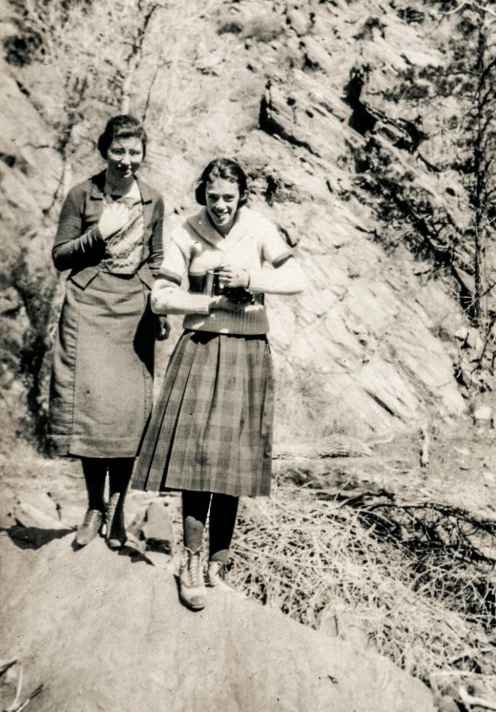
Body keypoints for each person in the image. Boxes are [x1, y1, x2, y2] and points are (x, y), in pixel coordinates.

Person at [132, 157, 305, 610]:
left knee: (233, 460)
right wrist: (208, 298)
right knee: (198, 459)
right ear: (202, 195)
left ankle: (218, 566)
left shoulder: (260, 227)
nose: (221, 205)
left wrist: (252, 278)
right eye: (213, 197)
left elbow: (297, 277)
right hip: (203, 345)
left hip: (248, 348)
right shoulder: (186, 230)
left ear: (242, 196)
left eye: (229, 197)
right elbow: (160, 297)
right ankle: (189, 562)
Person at [50, 114, 167, 549]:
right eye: (118, 151)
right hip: (88, 309)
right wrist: (99, 233)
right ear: (105, 150)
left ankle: (118, 507)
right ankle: (94, 506)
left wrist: (158, 304)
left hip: (132, 312)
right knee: (92, 410)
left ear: (142, 154)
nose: (126, 160)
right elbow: (61, 256)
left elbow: (156, 261)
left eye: (134, 152)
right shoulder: (82, 194)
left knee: (126, 413)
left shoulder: (154, 199)